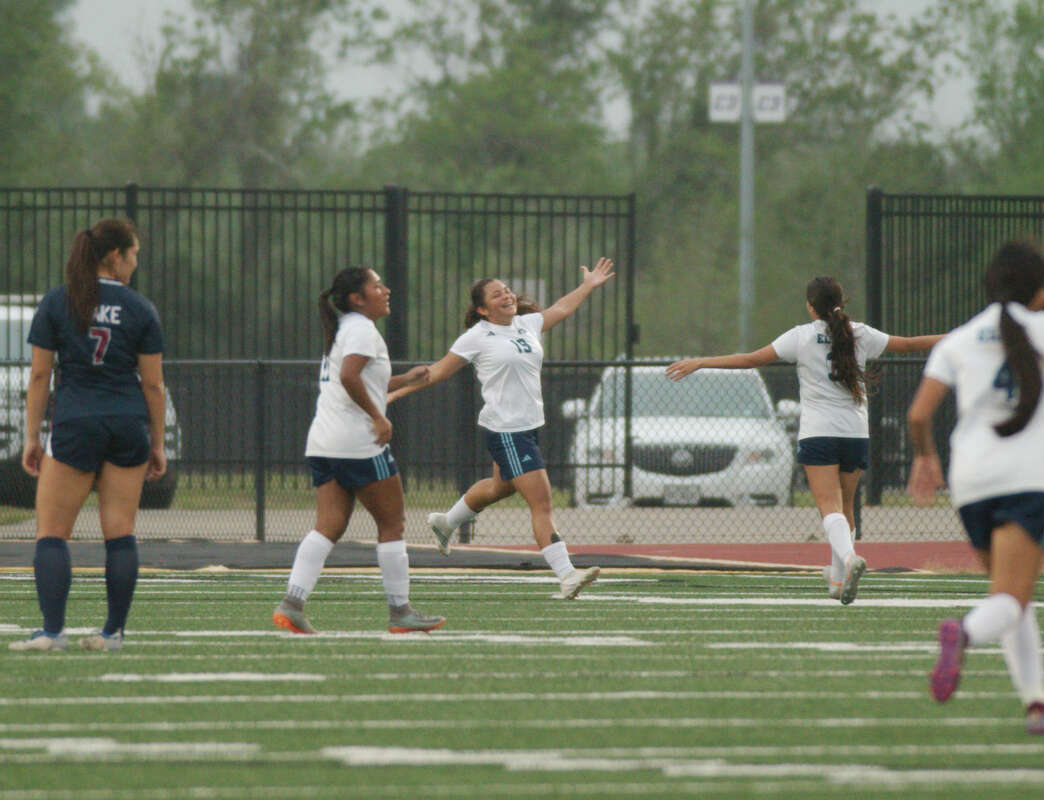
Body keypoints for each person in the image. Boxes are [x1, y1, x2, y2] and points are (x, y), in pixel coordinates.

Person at [906, 239, 1044, 734]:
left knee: (1010, 597)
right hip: (1029, 477)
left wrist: (925, 457)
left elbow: (919, 413)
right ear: (1038, 287)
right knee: (1010, 599)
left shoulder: (960, 339)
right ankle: (962, 634)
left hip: (971, 480)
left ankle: (1037, 703)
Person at [666, 276, 942, 605]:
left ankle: (850, 560)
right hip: (855, 433)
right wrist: (961, 337)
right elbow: (910, 344)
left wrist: (701, 362)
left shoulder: (802, 336)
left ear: (811, 307)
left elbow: (752, 359)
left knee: (829, 507)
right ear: (841, 302)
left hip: (819, 433)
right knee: (845, 507)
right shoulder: (861, 334)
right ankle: (839, 580)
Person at [395, 258, 615, 599]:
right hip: (506, 430)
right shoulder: (477, 337)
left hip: (527, 426)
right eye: (497, 295)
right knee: (541, 502)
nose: (507, 296)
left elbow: (561, 307)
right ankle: (567, 574)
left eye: (507, 290)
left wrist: (587, 285)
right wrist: (393, 393)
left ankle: (446, 521)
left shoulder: (527, 324)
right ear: (483, 309)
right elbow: (436, 373)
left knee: (501, 487)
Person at [9, 218, 165, 653]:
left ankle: (52, 632)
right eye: (133, 254)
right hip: (127, 423)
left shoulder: (60, 301)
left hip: (76, 422)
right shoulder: (139, 308)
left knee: (52, 532)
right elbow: (153, 384)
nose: (135, 263)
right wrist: (157, 442)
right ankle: (112, 633)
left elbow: (40, 374)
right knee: (119, 531)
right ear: (114, 256)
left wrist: (33, 436)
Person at [272, 267, 443, 635]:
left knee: (328, 526)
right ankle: (401, 612)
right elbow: (350, 378)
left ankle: (292, 603)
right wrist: (378, 418)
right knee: (393, 524)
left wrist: (405, 379)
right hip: (358, 444)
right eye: (377, 285)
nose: (386, 289)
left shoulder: (345, 329)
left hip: (324, 442)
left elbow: (356, 380)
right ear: (357, 298)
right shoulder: (362, 329)